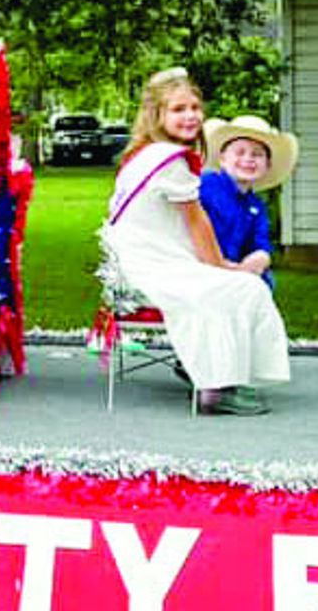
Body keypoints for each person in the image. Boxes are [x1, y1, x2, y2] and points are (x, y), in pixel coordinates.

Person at [99, 68, 291, 415]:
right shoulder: (170, 160)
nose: (191, 116)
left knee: (241, 285)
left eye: (195, 107)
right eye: (178, 109)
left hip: (144, 258)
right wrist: (221, 267)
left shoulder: (145, 153)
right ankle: (217, 386)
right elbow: (197, 222)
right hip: (153, 265)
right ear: (157, 115)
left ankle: (215, 372)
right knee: (241, 287)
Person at [199, 115, 299, 289]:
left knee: (264, 281)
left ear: (267, 165)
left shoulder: (256, 206)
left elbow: (260, 244)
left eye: (257, 154)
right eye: (240, 152)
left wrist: (261, 257)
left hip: (235, 270)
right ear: (222, 159)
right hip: (201, 265)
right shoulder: (205, 186)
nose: (248, 159)